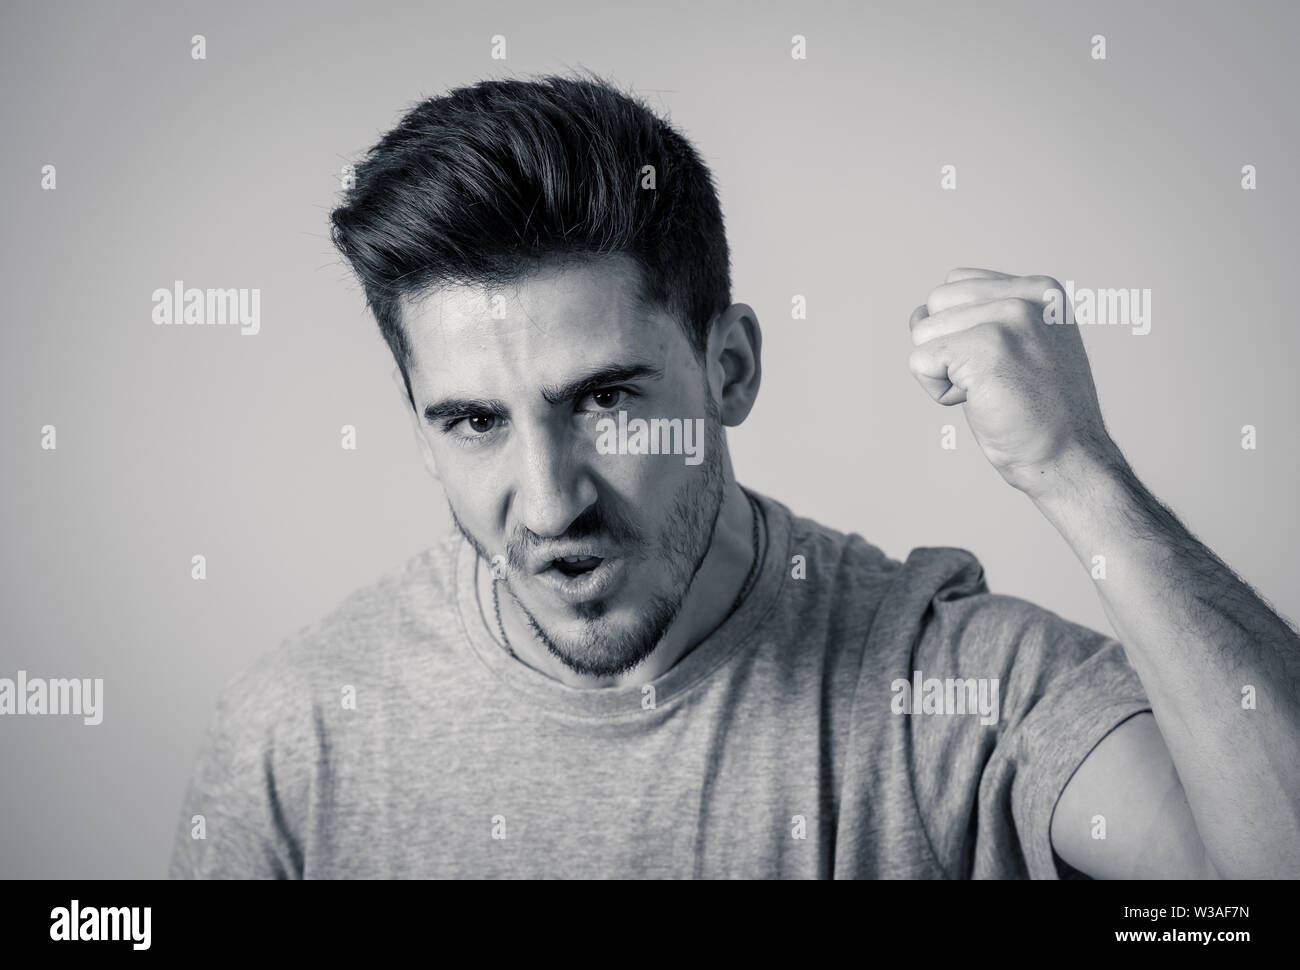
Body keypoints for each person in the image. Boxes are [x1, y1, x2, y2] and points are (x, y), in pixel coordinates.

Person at [169, 71, 1300, 879]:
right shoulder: (299, 735)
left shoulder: (952, 690)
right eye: (472, 422)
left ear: (731, 366)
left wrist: (1075, 469)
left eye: (605, 400)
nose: (551, 500)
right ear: (418, 428)